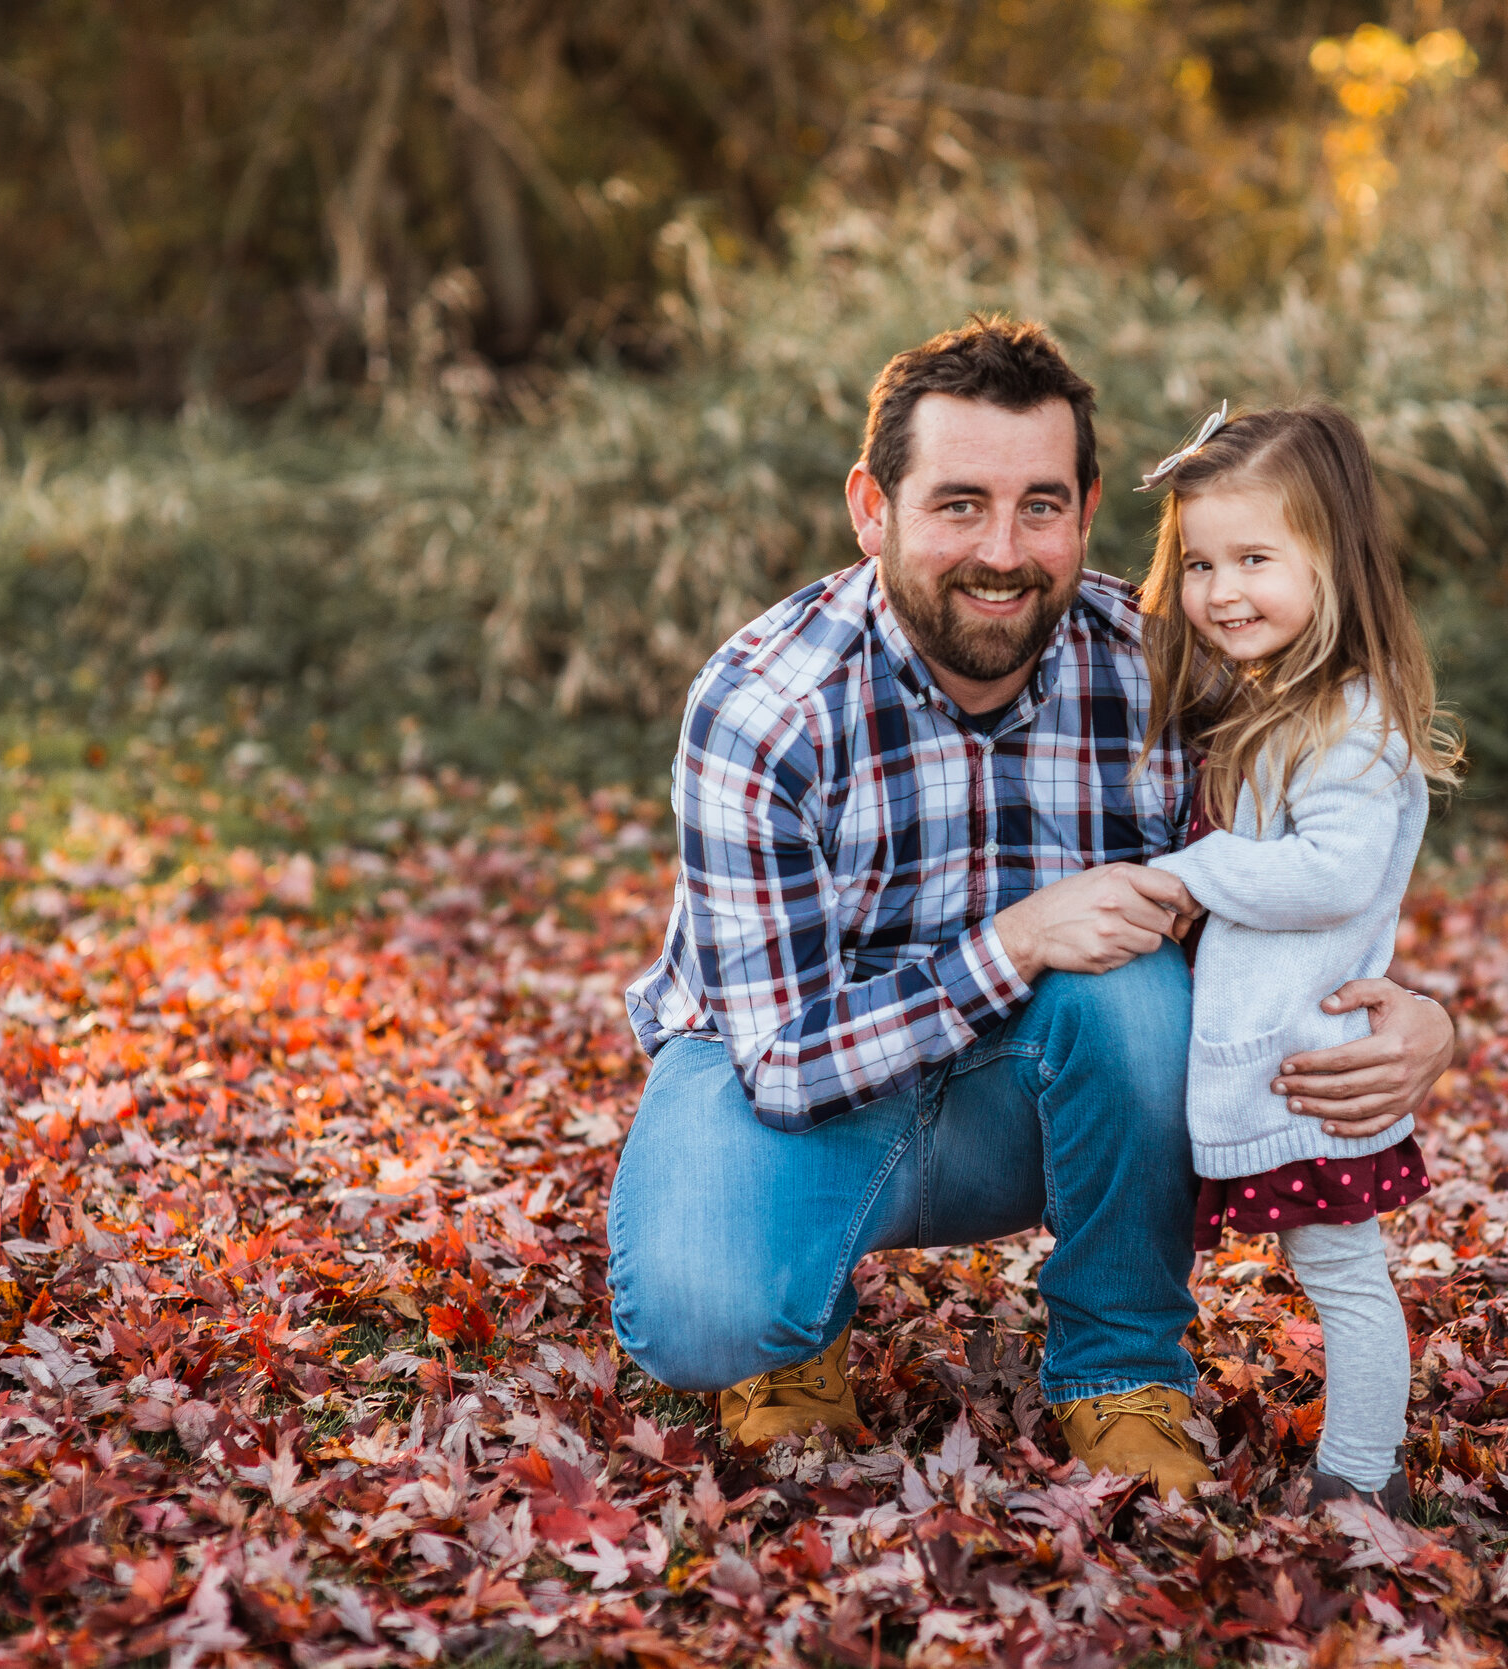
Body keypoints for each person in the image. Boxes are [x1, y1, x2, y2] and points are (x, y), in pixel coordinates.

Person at [606, 317, 1456, 1499]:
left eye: (1039, 507)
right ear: (872, 507)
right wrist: (1011, 944)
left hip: (1034, 1081)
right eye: (958, 503)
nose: (1001, 550)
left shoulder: (1169, 668)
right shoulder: (765, 707)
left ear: (1088, 511)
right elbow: (788, 1064)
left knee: (1138, 994)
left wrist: (1419, 1017)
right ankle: (790, 1346)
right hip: (783, 1079)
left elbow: (1311, 867)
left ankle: (1119, 1369)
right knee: (701, 1313)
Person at [1140, 402, 1462, 1517]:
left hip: (1311, 1061)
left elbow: (1329, 872)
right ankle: (1135, 1399)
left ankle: (1362, 1484)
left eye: (1255, 559)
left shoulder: (1354, 722)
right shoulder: (1267, 702)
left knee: (1341, 1275)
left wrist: (1193, 874)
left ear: (1335, 563)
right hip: (1259, 1045)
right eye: (1198, 562)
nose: (1221, 589)